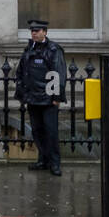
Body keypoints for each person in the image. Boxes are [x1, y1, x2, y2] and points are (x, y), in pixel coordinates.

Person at [18, 18, 67, 176]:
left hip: (47, 98)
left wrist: (56, 97)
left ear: (45, 32)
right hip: (32, 97)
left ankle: (55, 163)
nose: (34, 33)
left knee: (51, 132)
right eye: (32, 31)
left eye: (37, 31)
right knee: (37, 131)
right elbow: (22, 71)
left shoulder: (53, 49)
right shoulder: (29, 48)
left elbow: (58, 73)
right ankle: (43, 160)